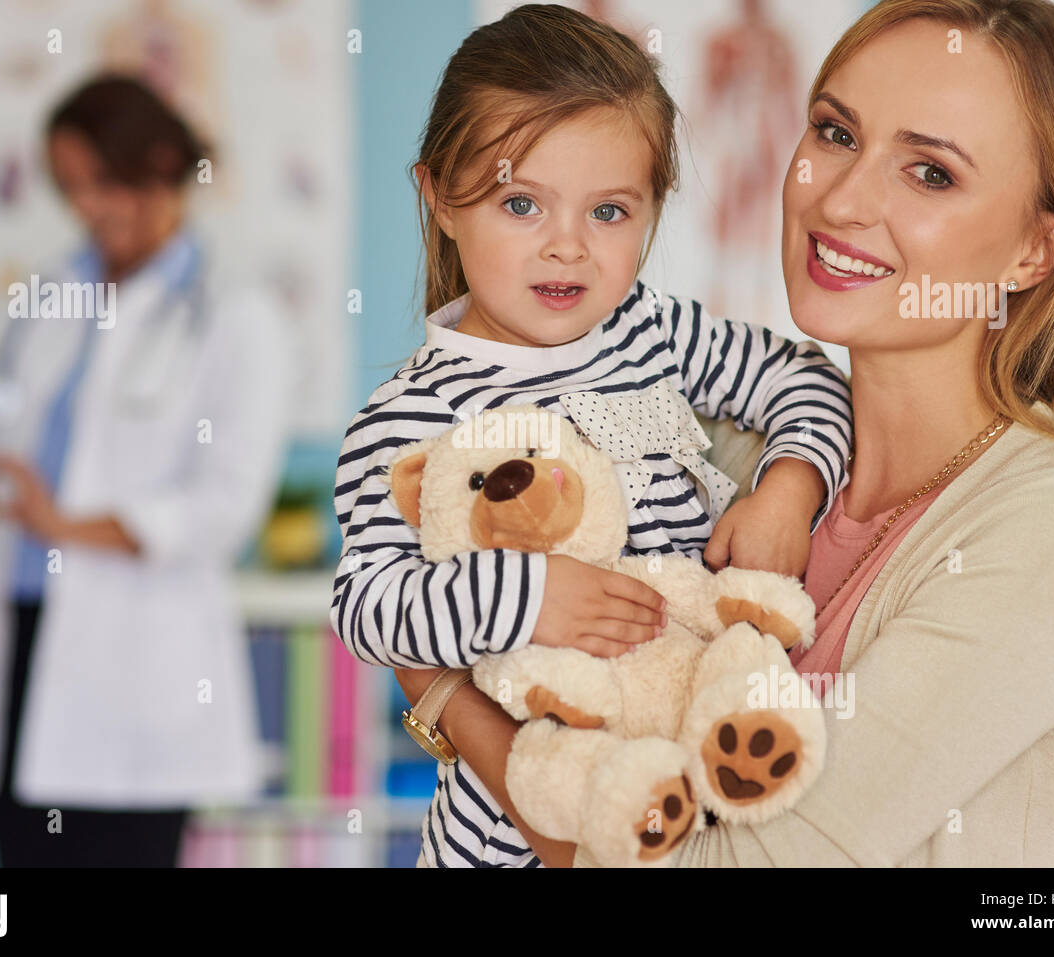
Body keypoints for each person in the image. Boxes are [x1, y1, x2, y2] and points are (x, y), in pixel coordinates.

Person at [393, 0, 1054, 867]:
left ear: (1036, 250)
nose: (842, 197)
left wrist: (446, 693)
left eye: (931, 173)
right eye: (835, 132)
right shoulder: (714, 446)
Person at [330, 3, 854, 868]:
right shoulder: (405, 417)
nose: (567, 247)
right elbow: (368, 608)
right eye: (522, 203)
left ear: (653, 210)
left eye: (609, 212)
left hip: (693, 781)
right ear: (440, 200)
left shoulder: (653, 330)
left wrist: (791, 485)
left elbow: (803, 377)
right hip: (506, 839)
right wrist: (527, 594)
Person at [0, 74, 295, 866]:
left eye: (100, 181)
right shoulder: (46, 297)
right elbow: (8, 471)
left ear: (160, 163)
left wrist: (63, 522)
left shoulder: (237, 316)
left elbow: (222, 508)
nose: (85, 207)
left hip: (131, 665)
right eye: (69, 188)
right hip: (18, 641)